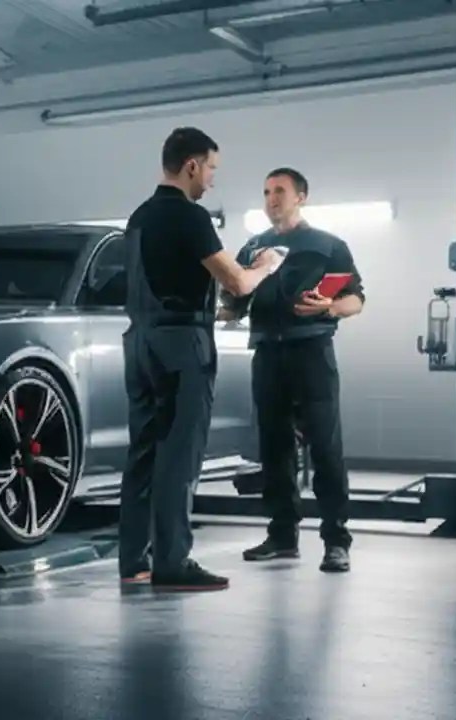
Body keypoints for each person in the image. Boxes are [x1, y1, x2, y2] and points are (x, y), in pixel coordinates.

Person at [119, 127, 283, 591]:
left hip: (139, 342)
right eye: (211, 168)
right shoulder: (190, 217)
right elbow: (237, 282)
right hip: (181, 346)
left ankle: (133, 560)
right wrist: (267, 265)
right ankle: (173, 563)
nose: (212, 179)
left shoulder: (138, 217)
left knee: (144, 453)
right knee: (180, 454)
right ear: (192, 165)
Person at [219, 167, 365, 573]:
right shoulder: (253, 248)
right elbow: (234, 303)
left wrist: (330, 307)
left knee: (325, 447)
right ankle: (282, 536)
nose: (272, 199)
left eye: (280, 191)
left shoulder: (329, 246)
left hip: (312, 352)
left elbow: (356, 299)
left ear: (301, 196)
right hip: (267, 353)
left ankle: (336, 541)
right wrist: (219, 307)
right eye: (267, 192)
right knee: (274, 448)